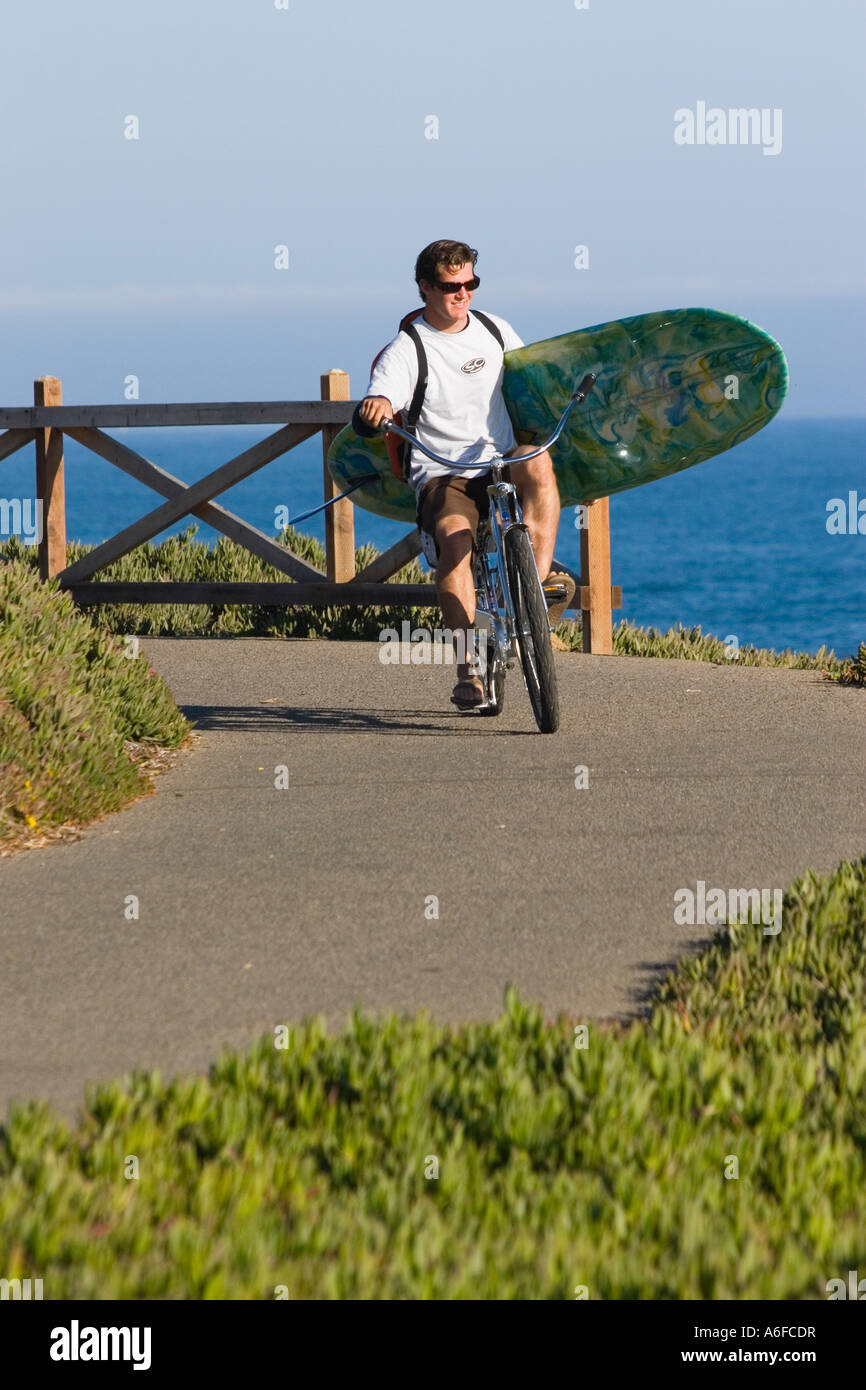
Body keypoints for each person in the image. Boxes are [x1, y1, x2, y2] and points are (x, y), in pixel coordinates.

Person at [358, 239, 575, 709]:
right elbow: (384, 394)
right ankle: (468, 671)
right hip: (442, 472)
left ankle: (532, 595)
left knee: (536, 458)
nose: (463, 293)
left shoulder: (496, 330)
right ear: (425, 288)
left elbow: (534, 384)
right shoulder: (408, 348)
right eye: (451, 285)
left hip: (499, 463)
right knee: (455, 542)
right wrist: (375, 406)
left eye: (470, 283)